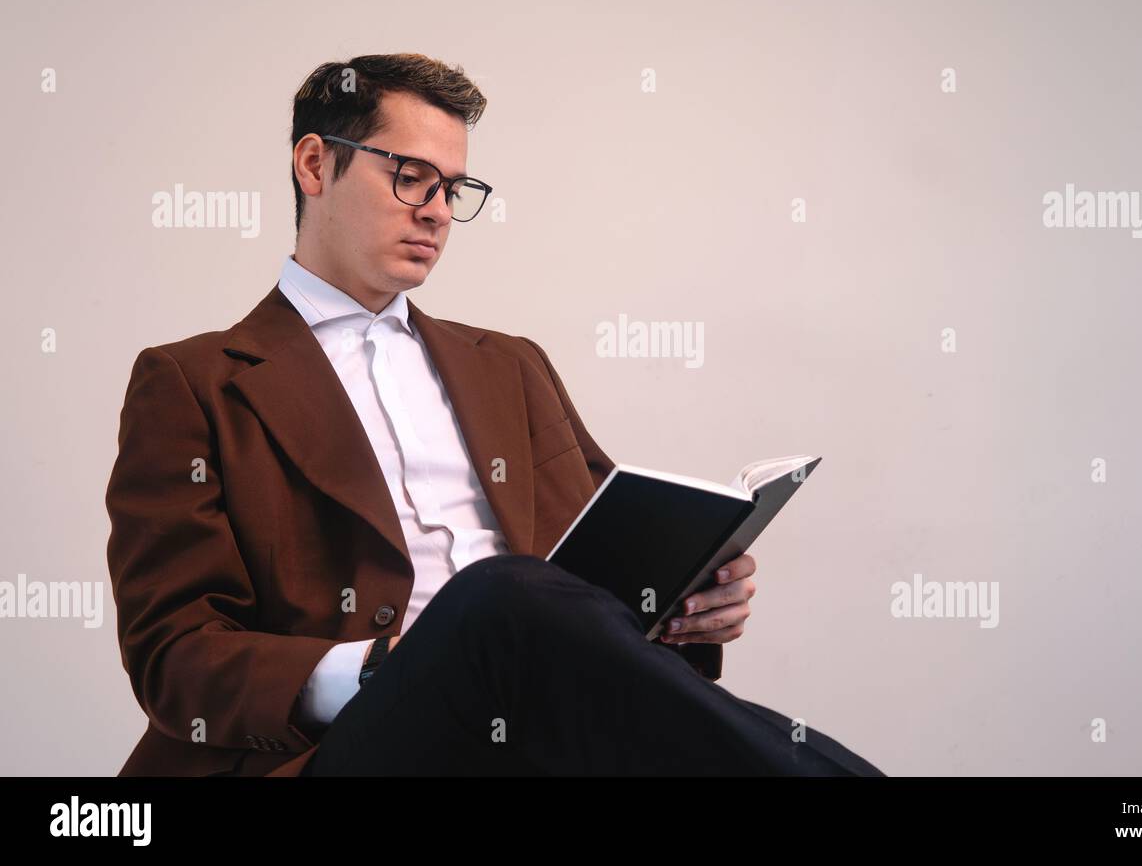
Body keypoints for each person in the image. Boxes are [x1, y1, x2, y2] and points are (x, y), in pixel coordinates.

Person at [105, 53, 883, 776]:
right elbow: (175, 656)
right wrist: (383, 663)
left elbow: (590, 589)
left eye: (454, 189)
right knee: (500, 594)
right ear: (315, 164)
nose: (439, 212)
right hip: (345, 748)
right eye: (411, 177)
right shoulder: (193, 382)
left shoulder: (509, 365)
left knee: (520, 603)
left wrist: (687, 603)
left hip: (532, 735)